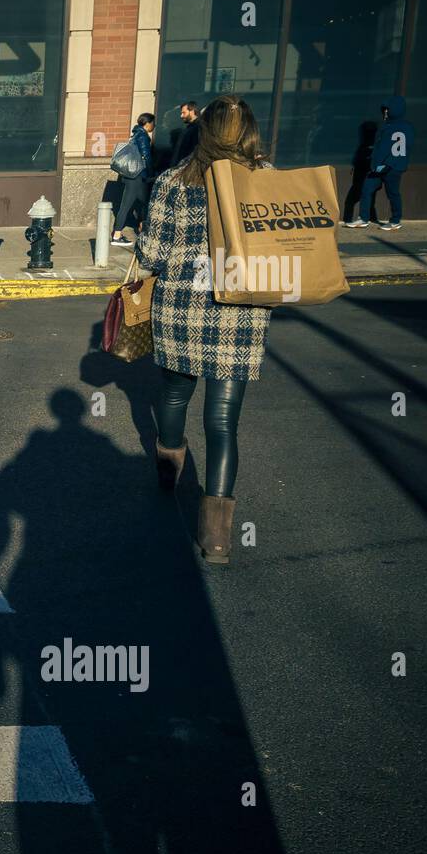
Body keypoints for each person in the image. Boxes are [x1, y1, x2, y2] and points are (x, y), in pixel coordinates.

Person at [136, 94, 272, 565]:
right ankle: (216, 537)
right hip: (243, 307)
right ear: (250, 132)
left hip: (181, 305)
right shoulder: (267, 182)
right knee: (223, 420)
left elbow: (151, 254)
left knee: (174, 394)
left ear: (204, 132)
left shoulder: (174, 181)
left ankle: (169, 463)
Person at [345, 95, 412, 231]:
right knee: (367, 189)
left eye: (388, 110)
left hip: (388, 167)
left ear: (395, 110)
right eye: (384, 110)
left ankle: (395, 221)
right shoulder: (407, 127)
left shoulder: (388, 128)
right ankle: (364, 219)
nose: (385, 112)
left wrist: (380, 163)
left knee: (392, 193)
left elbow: (384, 149)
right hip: (386, 167)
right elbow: (406, 149)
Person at [112, 112, 155, 246]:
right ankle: (117, 236)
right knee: (126, 206)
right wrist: (151, 172)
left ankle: (143, 228)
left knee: (144, 202)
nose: (154, 126)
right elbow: (146, 156)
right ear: (147, 123)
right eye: (153, 123)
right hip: (136, 177)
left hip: (134, 177)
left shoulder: (136, 134)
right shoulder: (143, 136)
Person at [171, 101, 200, 167]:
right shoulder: (190, 128)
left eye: (184, 113)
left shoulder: (198, 128)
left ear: (192, 111)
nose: (181, 116)